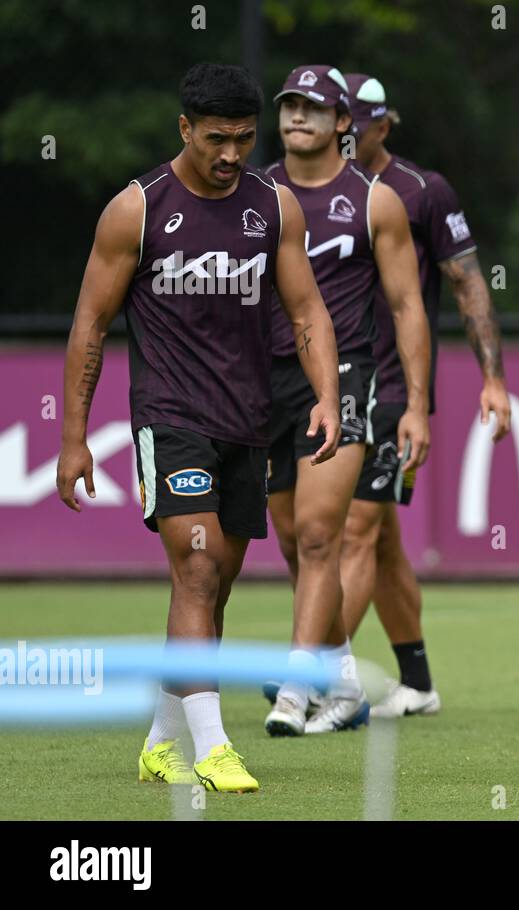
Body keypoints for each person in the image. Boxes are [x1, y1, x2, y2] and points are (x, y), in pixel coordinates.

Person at [55, 63, 342, 791]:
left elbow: (307, 311)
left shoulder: (274, 209)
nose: (231, 154)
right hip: (169, 416)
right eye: (217, 139)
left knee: (214, 588)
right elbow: (90, 326)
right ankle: (213, 749)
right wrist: (73, 437)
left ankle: (160, 738)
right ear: (185, 128)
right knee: (198, 565)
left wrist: (327, 397)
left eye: (245, 140)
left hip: (248, 423)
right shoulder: (137, 210)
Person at [261, 65, 431, 736]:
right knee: (289, 541)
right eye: (288, 105)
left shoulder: (375, 201)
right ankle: (346, 681)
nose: (297, 116)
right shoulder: (254, 194)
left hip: (346, 380)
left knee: (321, 533)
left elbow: (406, 304)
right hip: (260, 383)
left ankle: (296, 689)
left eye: (313, 107)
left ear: (342, 123)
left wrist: (416, 403)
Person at [336, 72, 511, 719]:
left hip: (386, 386)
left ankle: (321, 677)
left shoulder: (420, 191)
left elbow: (466, 283)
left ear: (384, 124)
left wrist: (492, 377)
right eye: (338, 119)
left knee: (354, 527)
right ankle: (415, 681)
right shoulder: (288, 187)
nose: (345, 132)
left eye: (357, 121)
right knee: (367, 539)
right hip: (308, 387)